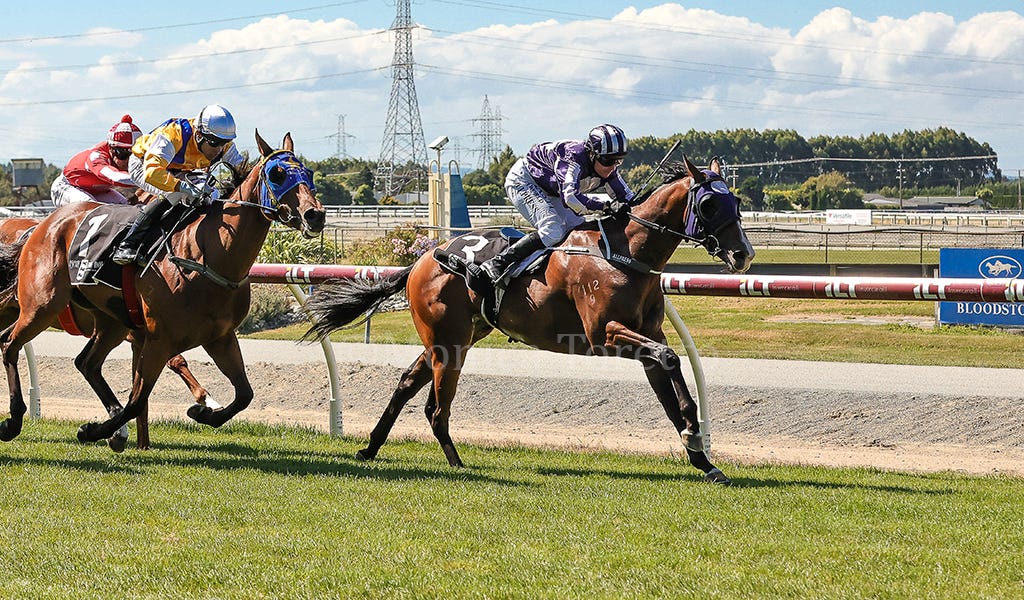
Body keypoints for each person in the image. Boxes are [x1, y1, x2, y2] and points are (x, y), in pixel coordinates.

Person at [480, 123, 637, 284]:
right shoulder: (573, 158)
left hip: (553, 190)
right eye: (607, 160)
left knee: (578, 229)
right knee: (553, 230)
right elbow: (570, 198)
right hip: (524, 181)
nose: (612, 167)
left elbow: (629, 198)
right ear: (591, 154)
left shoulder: (608, 168)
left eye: (618, 161)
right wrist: (605, 207)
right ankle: (499, 262)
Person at [111, 104, 245, 265]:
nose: (219, 149)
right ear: (200, 135)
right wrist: (181, 186)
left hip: (176, 168)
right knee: (178, 193)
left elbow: (243, 169)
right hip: (143, 164)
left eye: (224, 143)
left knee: (210, 192)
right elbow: (152, 172)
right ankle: (127, 245)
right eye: (215, 143)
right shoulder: (172, 136)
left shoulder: (221, 143)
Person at [50, 115, 143, 207]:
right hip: (68, 187)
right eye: (123, 154)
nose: (128, 161)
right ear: (111, 148)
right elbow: (115, 177)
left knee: (127, 207)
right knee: (89, 206)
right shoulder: (96, 156)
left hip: (98, 191)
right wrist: (147, 180)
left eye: (134, 155)